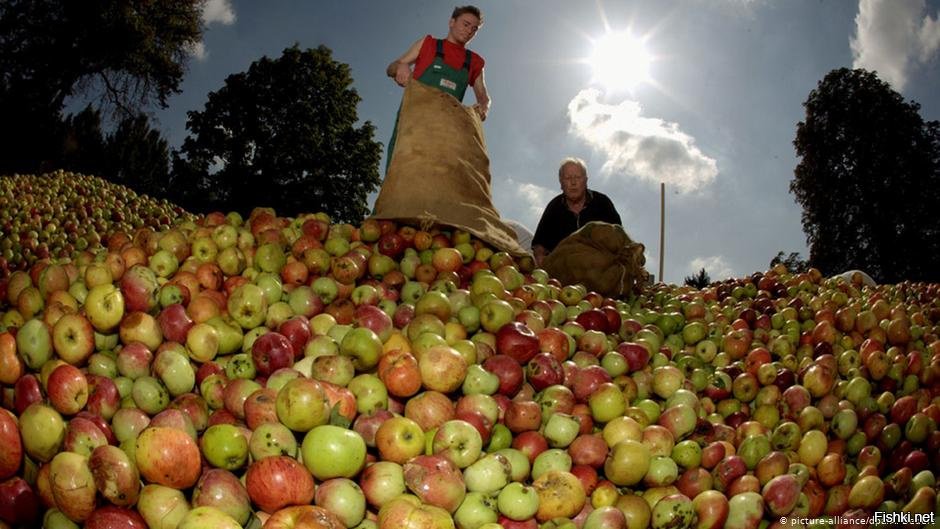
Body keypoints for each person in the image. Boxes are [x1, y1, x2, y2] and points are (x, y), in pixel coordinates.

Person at [384, 6, 490, 170]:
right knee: (400, 179)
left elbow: (483, 97)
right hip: (412, 126)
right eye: (466, 24)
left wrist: (483, 108)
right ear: (451, 22)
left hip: (447, 132)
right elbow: (392, 67)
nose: (469, 31)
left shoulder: (474, 61)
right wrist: (401, 67)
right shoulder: (428, 44)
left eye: (474, 29)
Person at [531, 157, 622, 266]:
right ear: (561, 182)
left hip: (601, 270)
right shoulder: (553, 207)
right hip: (563, 274)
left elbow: (620, 238)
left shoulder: (602, 203)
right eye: (568, 178)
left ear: (586, 180)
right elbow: (539, 244)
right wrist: (540, 257)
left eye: (578, 177)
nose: (573, 182)